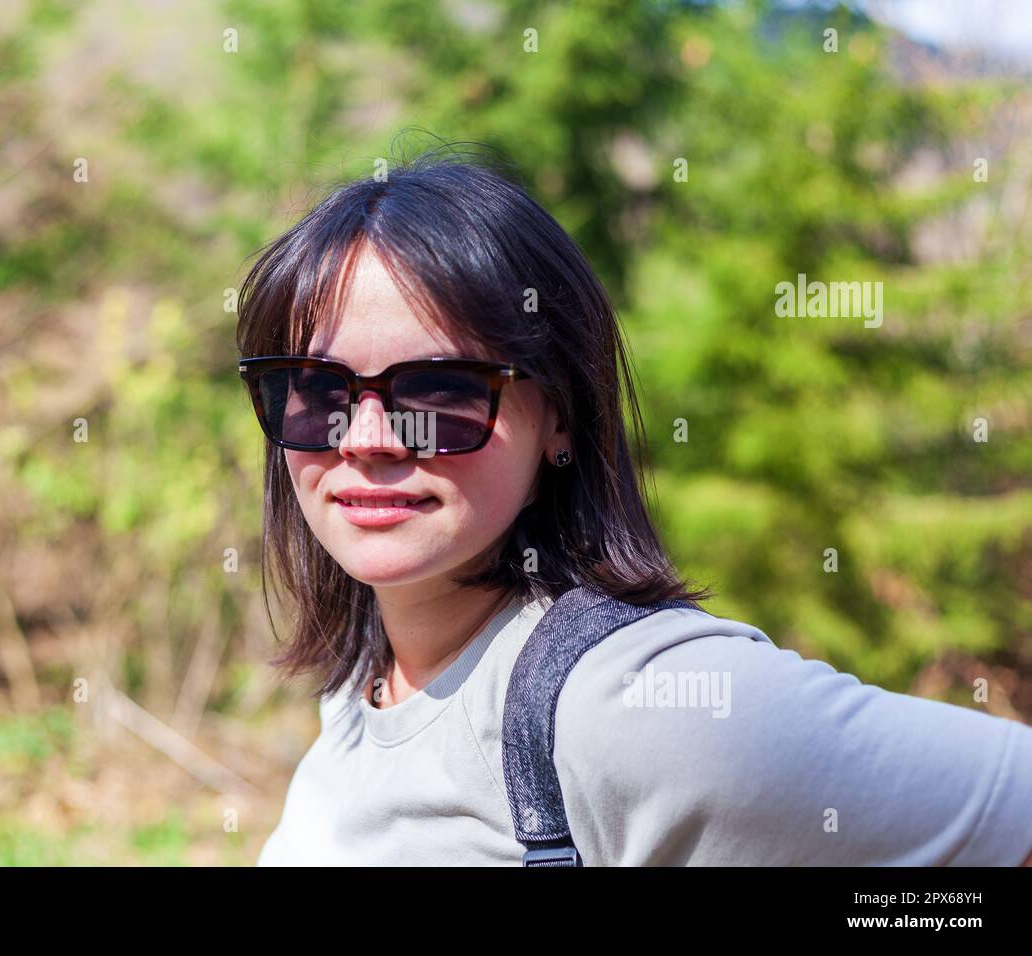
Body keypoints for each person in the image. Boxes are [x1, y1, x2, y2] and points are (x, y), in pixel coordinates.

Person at [234, 149, 1032, 866]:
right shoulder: (363, 686)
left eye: (439, 391)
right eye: (316, 392)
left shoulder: (626, 705)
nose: (368, 437)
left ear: (559, 417)